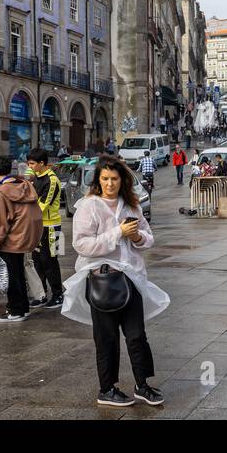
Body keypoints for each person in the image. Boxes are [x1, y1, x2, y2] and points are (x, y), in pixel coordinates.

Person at [63, 156, 169, 408]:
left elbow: (148, 237)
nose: (110, 184)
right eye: (105, 179)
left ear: (122, 180)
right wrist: (117, 233)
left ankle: (142, 384)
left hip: (131, 277)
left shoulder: (131, 205)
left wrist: (137, 237)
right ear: (98, 181)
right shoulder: (89, 206)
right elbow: (81, 244)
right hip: (102, 278)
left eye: (114, 179)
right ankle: (107, 388)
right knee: (106, 336)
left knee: (136, 335)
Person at [0, 155, 42, 323]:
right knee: (17, 274)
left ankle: (15, 310)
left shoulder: (1, 192)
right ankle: (22, 308)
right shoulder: (26, 186)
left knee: (11, 276)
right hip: (25, 238)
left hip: (10, 241)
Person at [27, 149, 65, 309]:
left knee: (50, 262)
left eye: (32, 163)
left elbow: (42, 205)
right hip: (38, 225)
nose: (29, 166)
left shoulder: (52, 180)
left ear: (41, 163)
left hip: (52, 226)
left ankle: (58, 295)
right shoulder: (37, 179)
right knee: (37, 262)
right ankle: (40, 294)